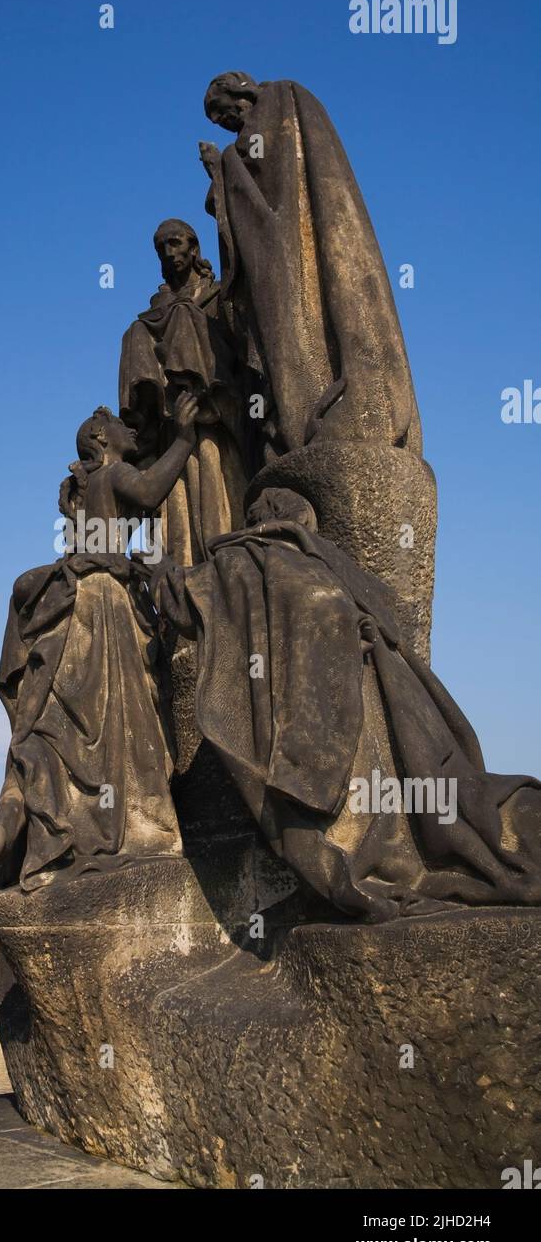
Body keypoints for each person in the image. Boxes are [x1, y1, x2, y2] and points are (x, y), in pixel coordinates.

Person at [152, 486, 541, 921]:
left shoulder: (238, 563)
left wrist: (162, 572)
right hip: (362, 709)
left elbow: (182, 607)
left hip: (325, 723)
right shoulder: (333, 570)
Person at [0, 392, 200, 896]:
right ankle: (119, 835)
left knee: (56, 728)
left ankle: (15, 817)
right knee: (119, 724)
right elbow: (151, 488)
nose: (125, 429)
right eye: (116, 426)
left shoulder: (79, 489)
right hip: (104, 601)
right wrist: (184, 438)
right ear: (101, 441)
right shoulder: (113, 474)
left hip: (69, 604)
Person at [199, 72, 422, 462]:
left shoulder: (279, 100)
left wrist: (221, 167)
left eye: (224, 112)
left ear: (239, 90)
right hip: (281, 255)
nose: (228, 123)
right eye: (220, 122)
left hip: (291, 255)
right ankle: (296, 426)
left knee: (303, 330)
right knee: (287, 334)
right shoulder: (283, 104)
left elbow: (264, 166)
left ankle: (313, 418)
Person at [119, 218, 251, 564]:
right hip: (168, 426)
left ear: (194, 248)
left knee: (182, 315)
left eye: (175, 243)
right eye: (162, 248)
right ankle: (145, 417)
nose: (169, 252)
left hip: (217, 406)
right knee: (135, 329)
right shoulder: (155, 310)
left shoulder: (217, 294)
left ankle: (192, 391)